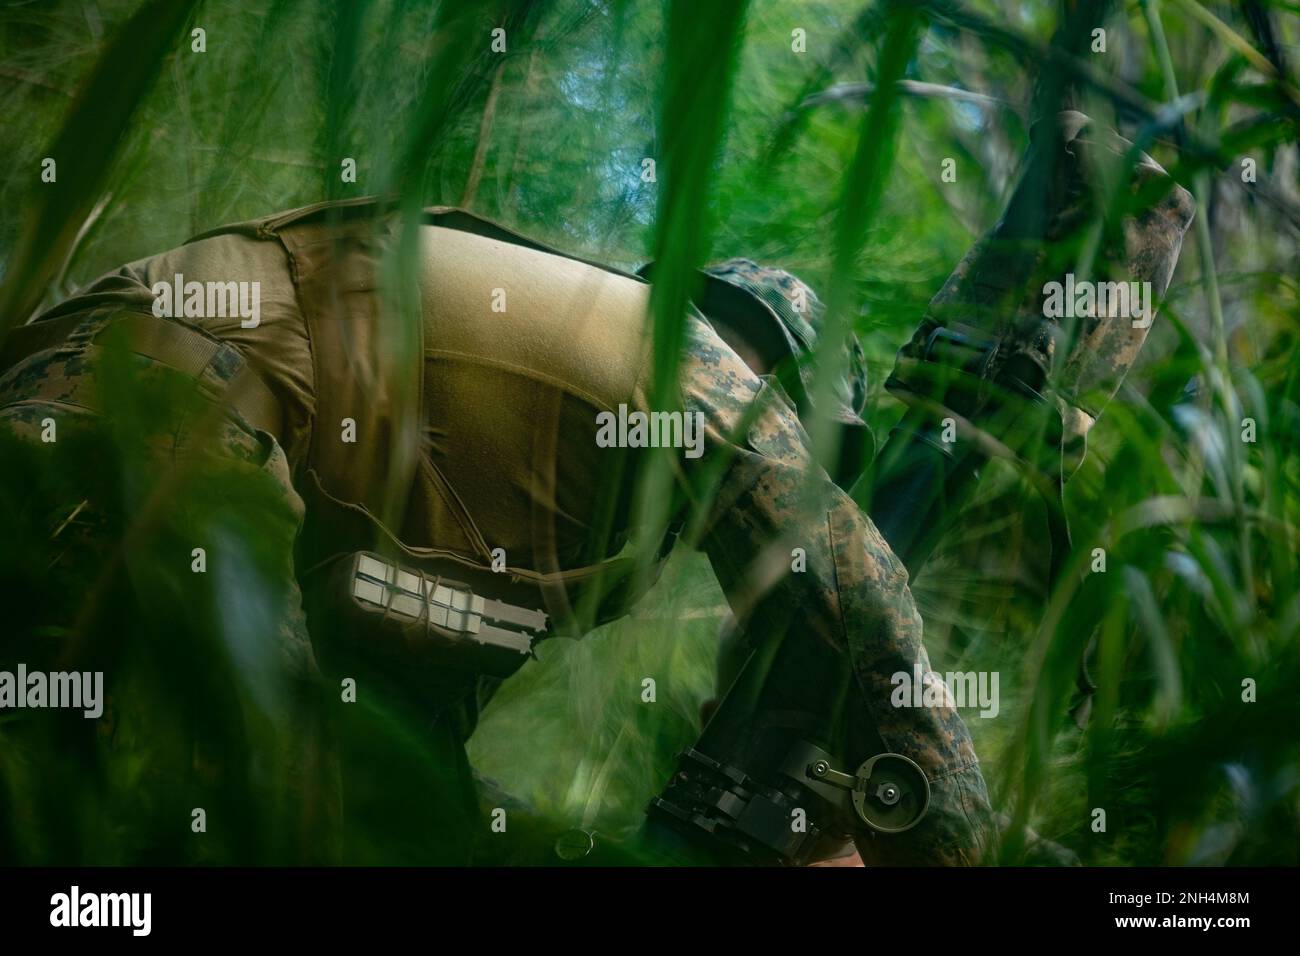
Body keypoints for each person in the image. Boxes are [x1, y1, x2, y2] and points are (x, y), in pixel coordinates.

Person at [0, 111, 1192, 866]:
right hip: (167, 399)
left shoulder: (527, 465)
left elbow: (393, 760)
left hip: (122, 409)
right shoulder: (673, 349)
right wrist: (953, 838)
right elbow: (865, 601)